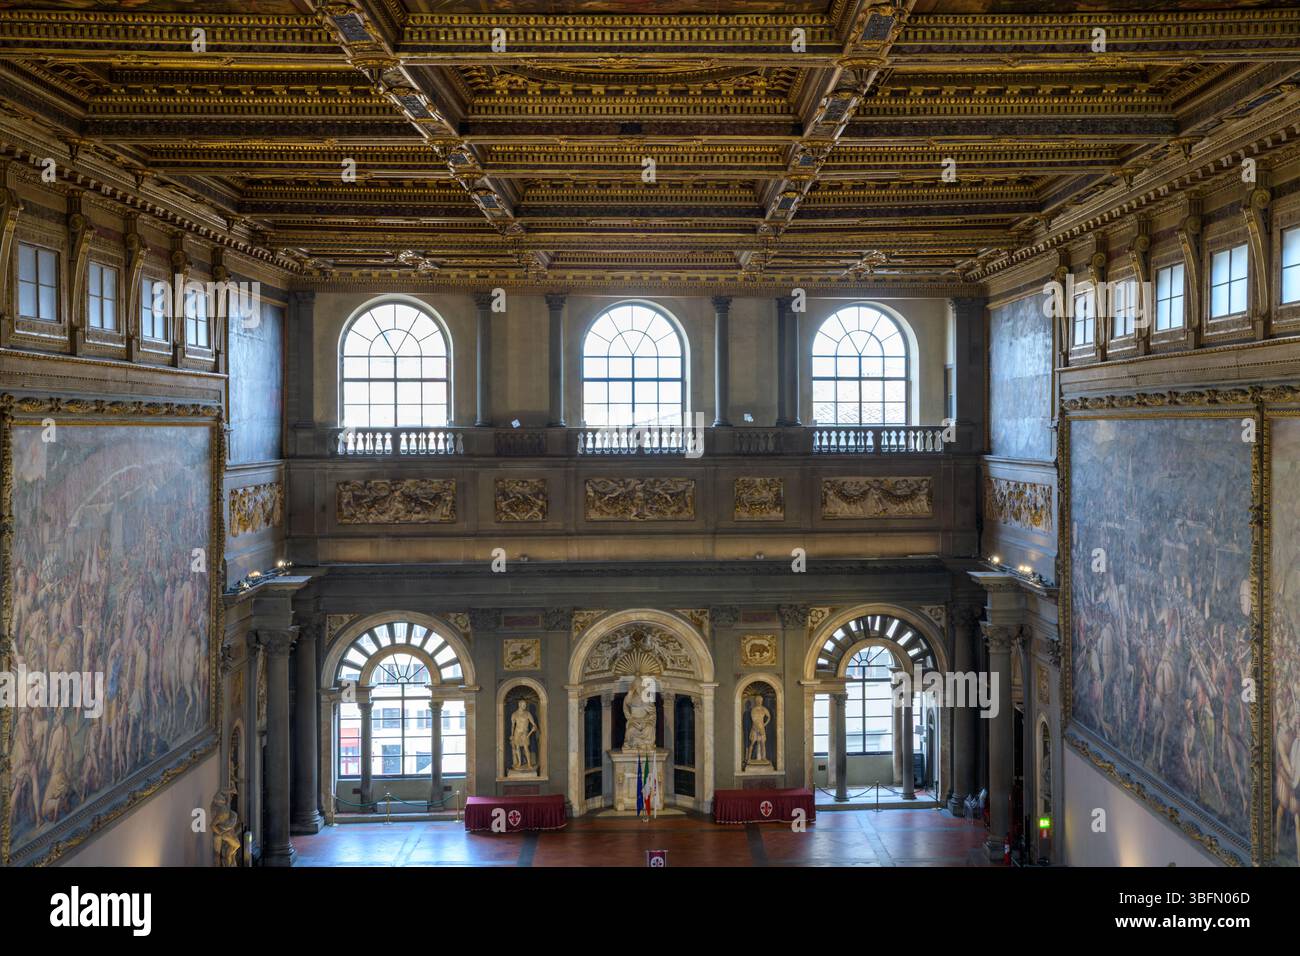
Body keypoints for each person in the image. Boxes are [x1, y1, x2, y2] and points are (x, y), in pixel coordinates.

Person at [509, 699, 538, 771]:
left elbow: (533, 724)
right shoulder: (514, 714)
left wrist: (534, 727)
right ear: (519, 705)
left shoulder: (528, 714)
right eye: (523, 705)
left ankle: (529, 763)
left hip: (525, 733)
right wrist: (512, 735)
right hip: (517, 733)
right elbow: (512, 726)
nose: (525, 706)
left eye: (525, 705)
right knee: (517, 747)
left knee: (526, 748)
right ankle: (519, 763)